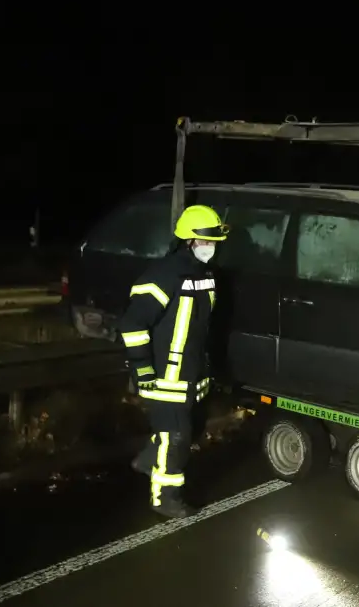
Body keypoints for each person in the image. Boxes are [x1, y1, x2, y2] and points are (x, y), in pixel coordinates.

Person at [119, 204, 229, 519]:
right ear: (190, 241)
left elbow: (201, 329)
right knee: (176, 437)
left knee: (187, 430)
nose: (213, 247)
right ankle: (163, 497)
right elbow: (132, 325)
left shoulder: (205, 275)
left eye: (215, 242)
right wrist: (143, 370)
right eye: (208, 241)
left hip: (191, 375)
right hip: (164, 377)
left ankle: (147, 459)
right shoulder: (162, 276)